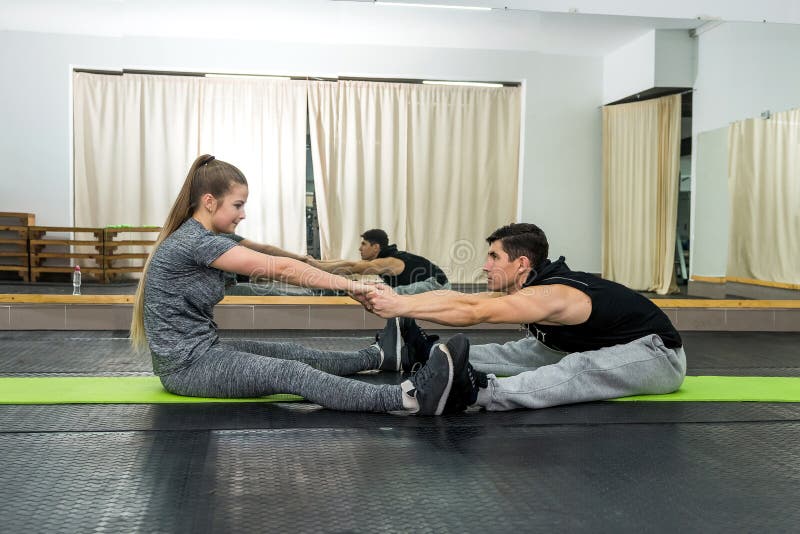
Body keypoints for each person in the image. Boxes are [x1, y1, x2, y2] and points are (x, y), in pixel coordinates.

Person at [129, 154, 464, 415]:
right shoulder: (197, 242)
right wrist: (352, 286)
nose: (242, 214)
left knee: (293, 353)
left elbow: (269, 252)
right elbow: (279, 268)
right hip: (189, 369)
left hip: (203, 352)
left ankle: (380, 357)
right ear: (209, 201)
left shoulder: (205, 236)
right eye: (238, 205)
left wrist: (311, 263)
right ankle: (408, 398)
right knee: (289, 372)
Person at [361, 223, 686, 412]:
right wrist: (399, 300)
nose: (486, 266)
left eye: (493, 257)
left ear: (521, 264)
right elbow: (463, 298)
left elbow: (475, 312)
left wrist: (399, 307)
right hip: (590, 343)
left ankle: (478, 392)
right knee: (520, 351)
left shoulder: (552, 295)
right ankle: (425, 353)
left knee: (578, 369)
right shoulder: (530, 285)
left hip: (656, 356)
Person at [309, 229, 450, 294]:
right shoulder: (385, 258)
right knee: (380, 289)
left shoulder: (389, 261)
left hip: (437, 286)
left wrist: (316, 266)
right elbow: (345, 262)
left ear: (376, 247)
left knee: (388, 292)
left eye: (364, 244)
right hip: (435, 283)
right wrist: (317, 263)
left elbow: (353, 267)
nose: (359, 248)